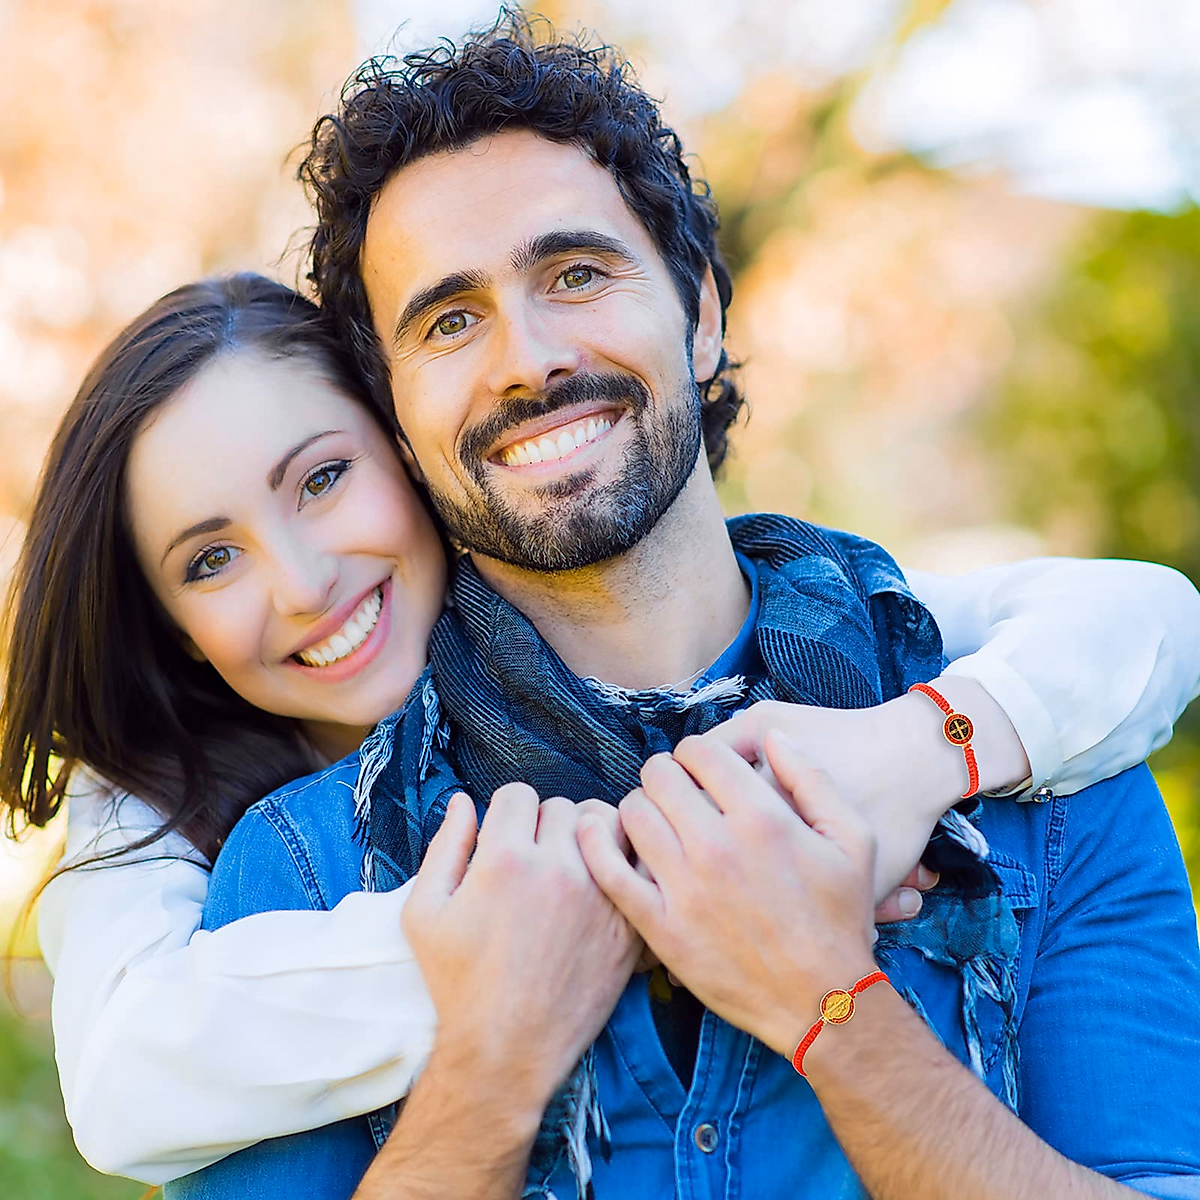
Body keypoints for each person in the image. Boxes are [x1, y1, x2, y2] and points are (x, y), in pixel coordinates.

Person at [169, 13, 1200, 1200]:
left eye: (575, 272)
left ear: (701, 312)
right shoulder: (308, 872)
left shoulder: (1039, 785)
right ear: (396, 420)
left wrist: (832, 1008)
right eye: (449, 320)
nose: (527, 356)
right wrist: (489, 1079)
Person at [8, 271, 1190, 1187]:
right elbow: (125, 1084)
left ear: (415, 447)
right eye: (211, 559)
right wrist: (536, 971)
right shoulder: (210, 841)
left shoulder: (848, 650)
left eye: (321, 479)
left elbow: (1125, 614)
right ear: (170, 629)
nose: (304, 580)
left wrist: (905, 761)